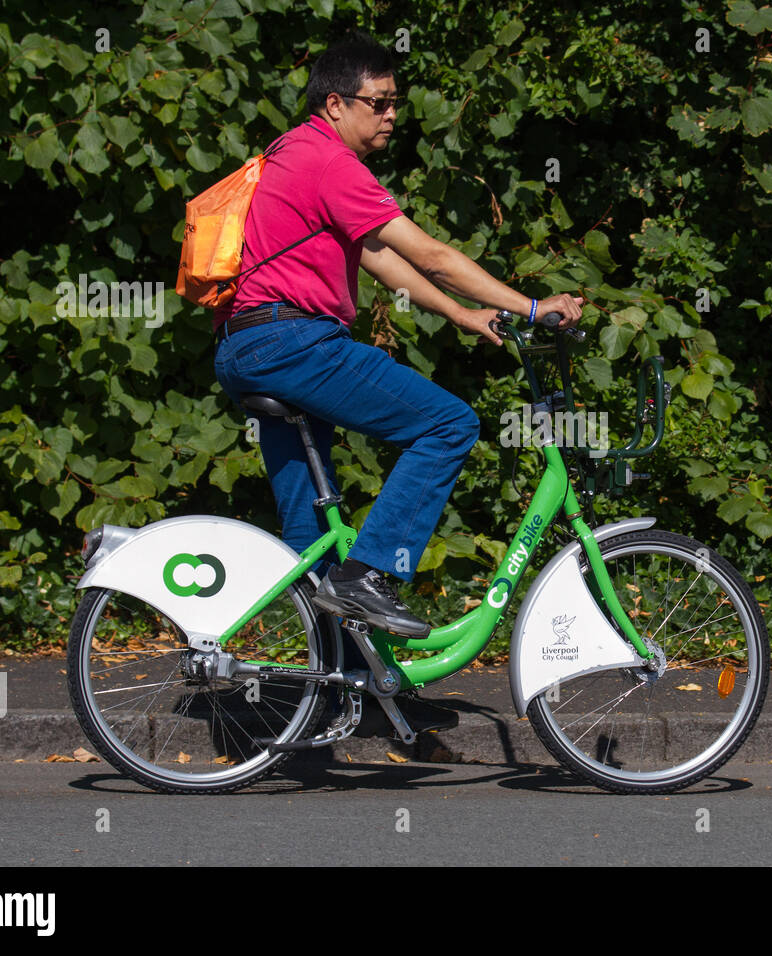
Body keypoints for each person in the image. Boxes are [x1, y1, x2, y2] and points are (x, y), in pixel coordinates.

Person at [213, 30, 583, 638]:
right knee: (448, 424)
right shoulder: (332, 163)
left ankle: (334, 685)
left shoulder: (293, 152)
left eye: (395, 103)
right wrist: (532, 304)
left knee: (313, 531)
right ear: (336, 104)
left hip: (246, 346)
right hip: (292, 342)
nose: (391, 115)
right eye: (377, 102)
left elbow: (383, 259)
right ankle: (373, 574)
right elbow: (431, 254)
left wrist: (463, 316)